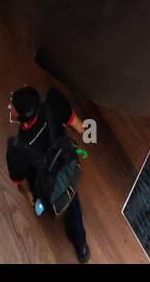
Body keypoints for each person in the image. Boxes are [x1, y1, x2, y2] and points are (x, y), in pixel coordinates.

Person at [6, 85, 91, 263]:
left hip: (43, 180)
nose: (9, 107)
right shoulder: (54, 101)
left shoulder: (17, 148)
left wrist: (31, 197)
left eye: (12, 106)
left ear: (21, 117)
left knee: (42, 196)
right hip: (66, 164)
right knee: (71, 197)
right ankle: (81, 244)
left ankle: (45, 206)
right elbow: (80, 127)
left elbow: (20, 183)